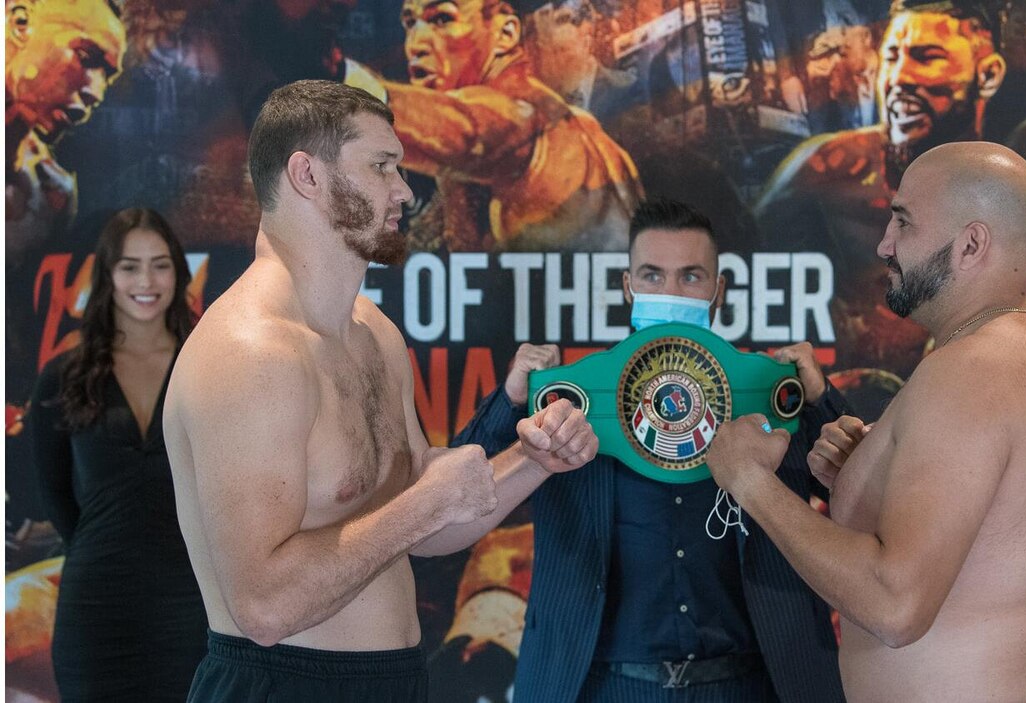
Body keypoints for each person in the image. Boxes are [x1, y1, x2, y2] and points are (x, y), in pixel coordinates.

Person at [162, 79, 598, 701]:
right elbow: (265, 608)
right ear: (307, 175)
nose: (405, 190)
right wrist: (425, 504)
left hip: (394, 680)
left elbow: (426, 528)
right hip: (282, 686)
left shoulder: (374, 333)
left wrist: (535, 460)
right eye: (381, 166)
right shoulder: (251, 353)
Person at [708, 142, 1026, 701]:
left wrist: (749, 481)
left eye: (903, 222)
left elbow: (895, 606)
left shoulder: (972, 371)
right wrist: (870, 483)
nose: (884, 244)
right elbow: (1001, 547)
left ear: (971, 244)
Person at [454, 198, 852, 702]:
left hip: (752, 684)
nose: (671, 292)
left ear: (717, 290)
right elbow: (457, 497)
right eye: (653, 275)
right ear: (629, 287)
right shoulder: (568, 399)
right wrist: (511, 398)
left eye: (690, 277)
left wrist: (818, 399)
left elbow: (861, 498)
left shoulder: (768, 393)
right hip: (599, 686)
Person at [754, 0, 1026, 374]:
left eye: (926, 57)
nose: (899, 77)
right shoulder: (825, 170)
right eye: (892, 57)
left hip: (964, 401)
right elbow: (741, 263)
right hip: (834, 399)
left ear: (987, 75)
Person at [28, 208, 206, 701]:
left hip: (193, 607)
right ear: (107, 275)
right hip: (96, 613)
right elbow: (57, 498)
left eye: (160, 265)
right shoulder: (64, 377)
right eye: (129, 266)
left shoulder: (210, 366)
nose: (146, 281)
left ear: (179, 272)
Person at [391, 0, 644, 252]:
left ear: (507, 33)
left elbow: (477, 128)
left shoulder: (525, 118)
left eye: (442, 19)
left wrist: (365, 95)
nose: (415, 44)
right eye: (410, 24)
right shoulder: (572, 125)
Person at [5, 0, 126, 257]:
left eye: (107, 77)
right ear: (19, 24)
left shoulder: (54, 194)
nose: (96, 93)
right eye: (85, 57)